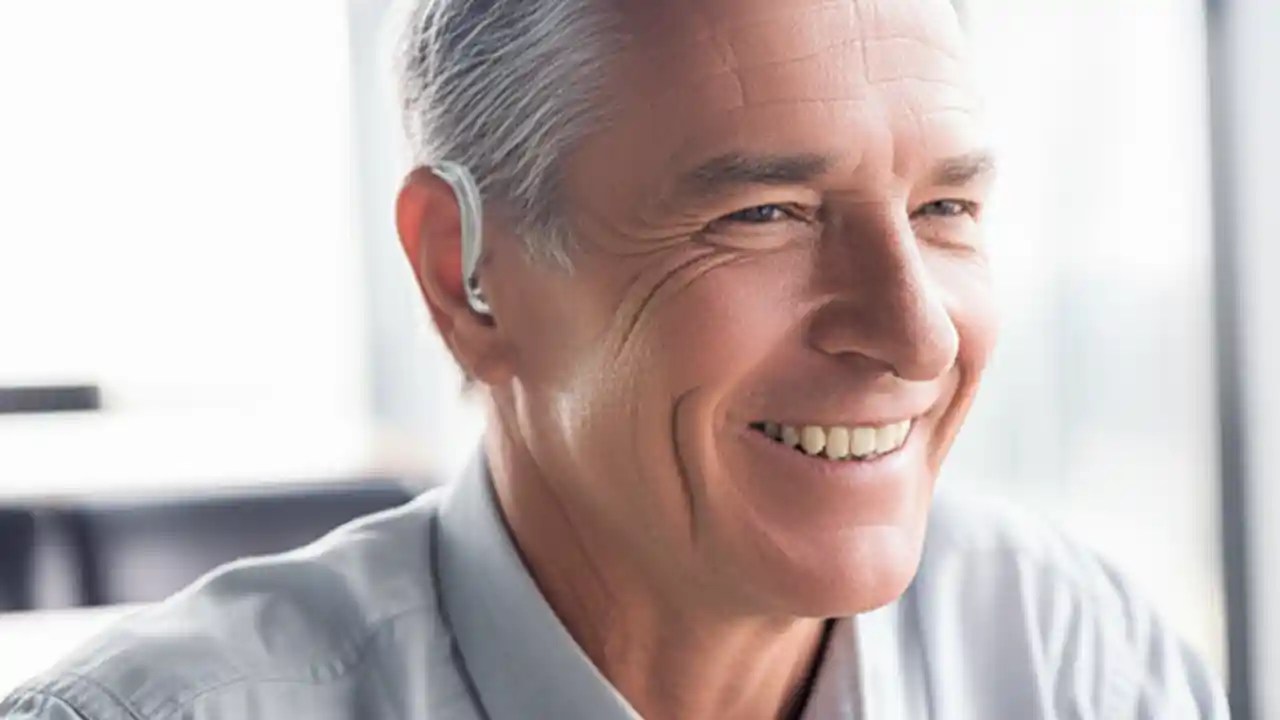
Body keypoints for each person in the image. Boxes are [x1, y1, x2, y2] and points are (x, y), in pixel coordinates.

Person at [1, 0, 1229, 717]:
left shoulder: (1067, 651)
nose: (915, 336)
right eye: (762, 214)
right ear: (464, 279)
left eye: (943, 211)